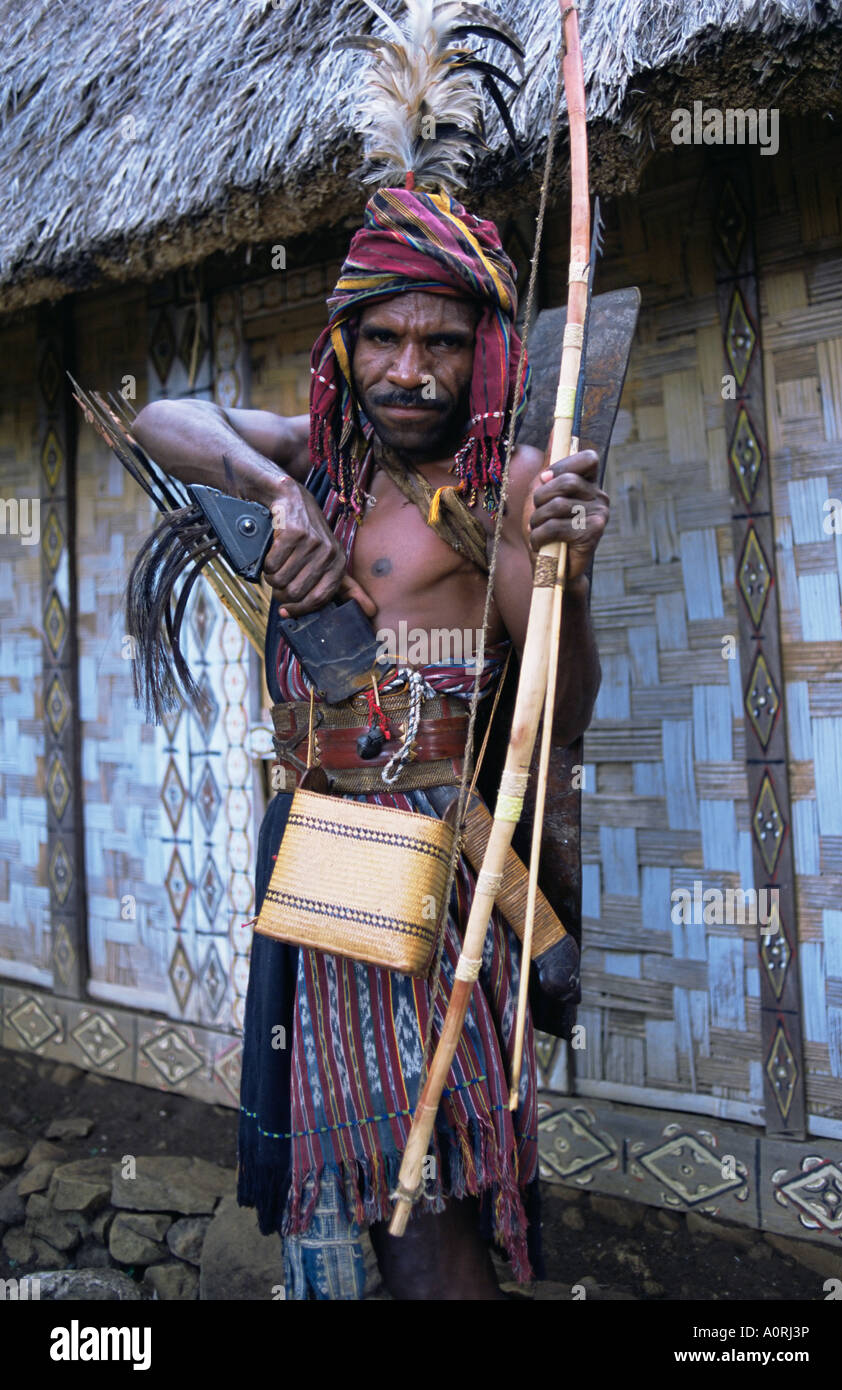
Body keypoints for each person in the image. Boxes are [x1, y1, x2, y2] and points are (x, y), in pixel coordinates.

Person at [132, 186, 608, 1299]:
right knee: (352, 1176)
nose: (409, 371)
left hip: (429, 868)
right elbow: (159, 418)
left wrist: (566, 587)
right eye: (383, 337)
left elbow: (563, 714)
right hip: (316, 850)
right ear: (342, 343)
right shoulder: (316, 458)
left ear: (482, 352)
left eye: (442, 341)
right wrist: (270, 495)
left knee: (423, 1190)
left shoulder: (508, 486)